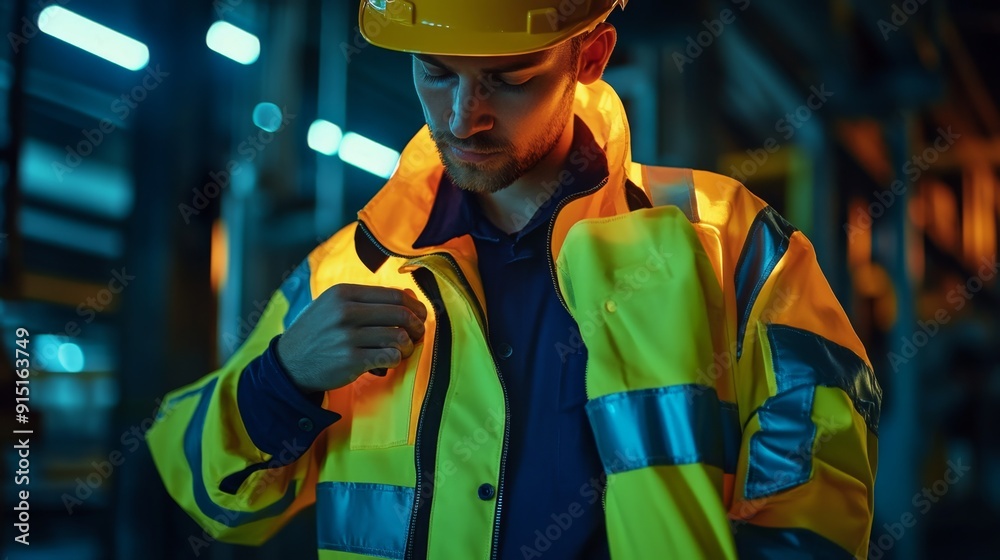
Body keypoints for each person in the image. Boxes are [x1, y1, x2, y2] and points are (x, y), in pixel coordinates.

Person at [147, 1, 882, 558]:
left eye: (509, 78)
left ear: (590, 55)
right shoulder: (351, 266)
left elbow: (822, 465)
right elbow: (211, 494)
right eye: (437, 74)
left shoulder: (721, 240)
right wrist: (283, 379)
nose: (465, 117)